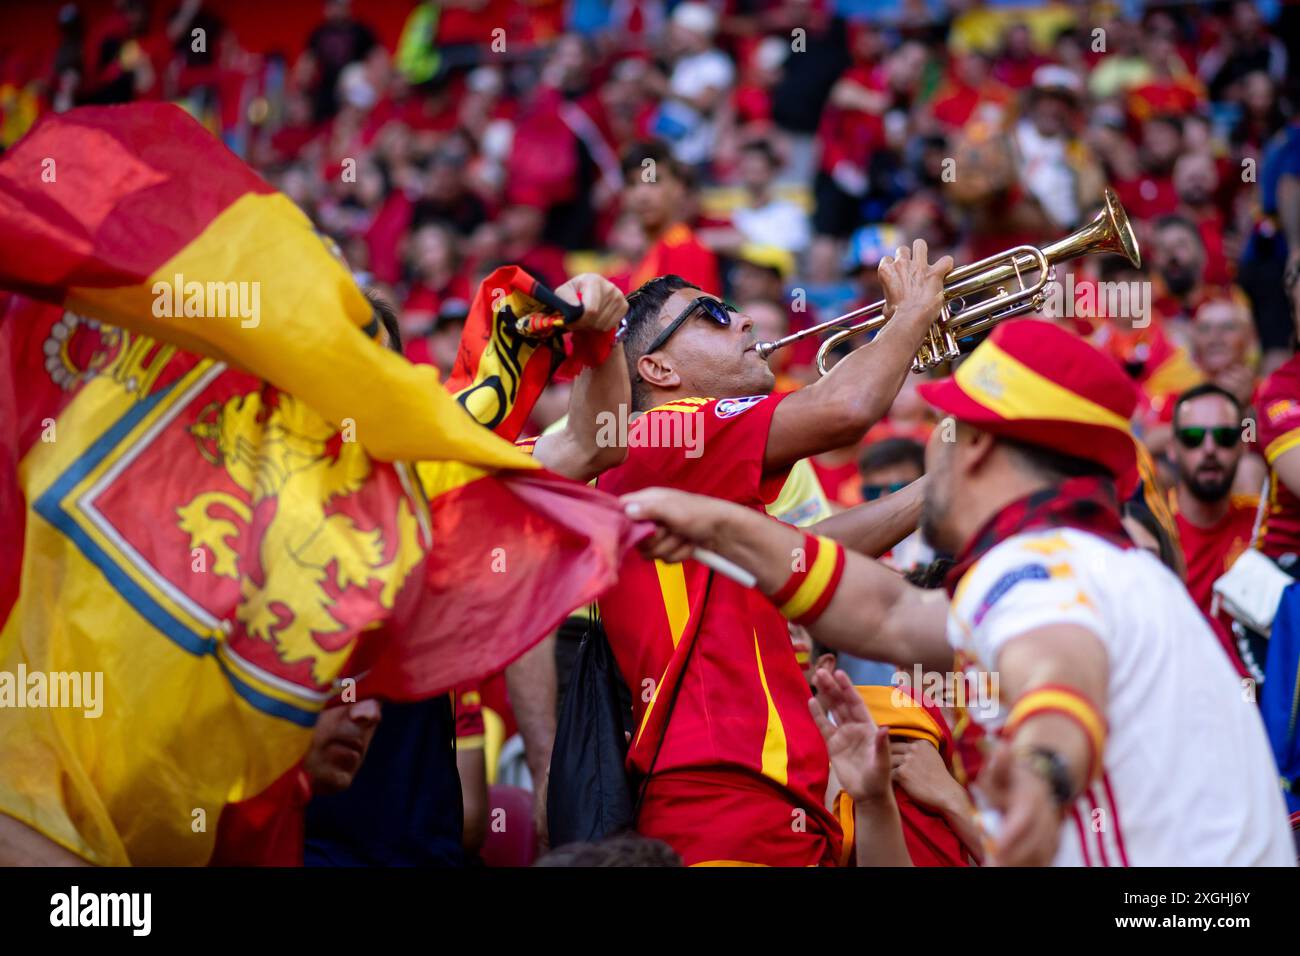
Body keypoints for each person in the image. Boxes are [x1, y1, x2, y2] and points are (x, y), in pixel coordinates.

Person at [624, 318, 1294, 865]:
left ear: (973, 445)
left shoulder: (1038, 566)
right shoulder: (1097, 561)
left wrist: (1040, 769)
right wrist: (719, 525)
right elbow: (888, 613)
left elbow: (1057, 668)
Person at [593, 239, 952, 866]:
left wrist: (938, 489)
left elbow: (805, 555)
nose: (746, 320)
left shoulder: (687, 470)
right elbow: (847, 409)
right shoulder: (661, 432)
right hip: (722, 794)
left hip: (769, 793)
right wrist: (909, 317)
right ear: (658, 371)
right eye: (711, 314)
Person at [1168, 384, 1258, 678]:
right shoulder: (1149, 529)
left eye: (1225, 437)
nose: (1209, 449)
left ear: (1243, 445)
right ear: (1172, 448)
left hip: (1248, 701)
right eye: (1193, 438)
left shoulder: (1263, 524)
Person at [619, 141, 721, 295]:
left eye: (654, 181)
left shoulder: (687, 252)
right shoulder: (629, 264)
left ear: (678, 187)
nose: (642, 195)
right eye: (632, 184)